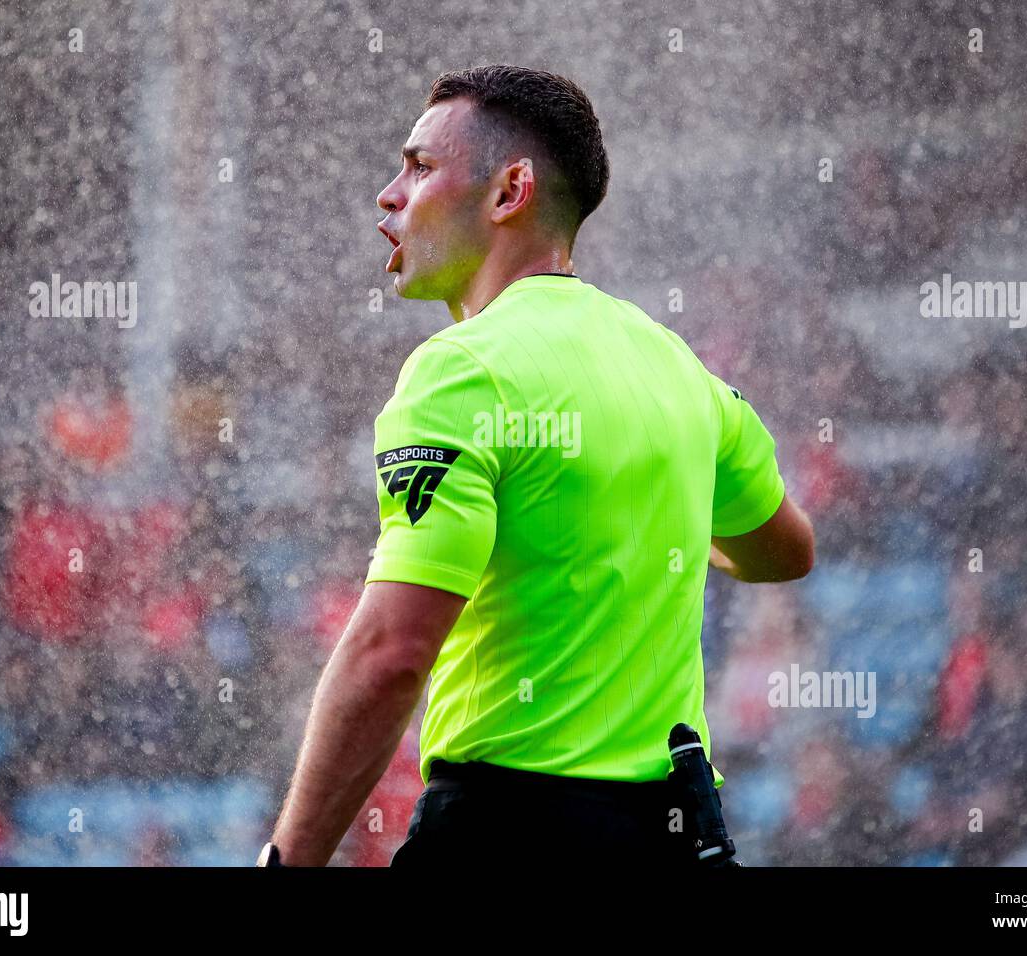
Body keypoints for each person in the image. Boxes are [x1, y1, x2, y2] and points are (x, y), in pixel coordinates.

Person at [265, 64, 814, 868]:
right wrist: (643, 513)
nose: (390, 194)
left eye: (419, 167)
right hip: (678, 840)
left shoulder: (459, 371)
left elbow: (392, 655)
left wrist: (289, 860)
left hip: (507, 836)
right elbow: (785, 551)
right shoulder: (679, 369)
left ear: (510, 189)